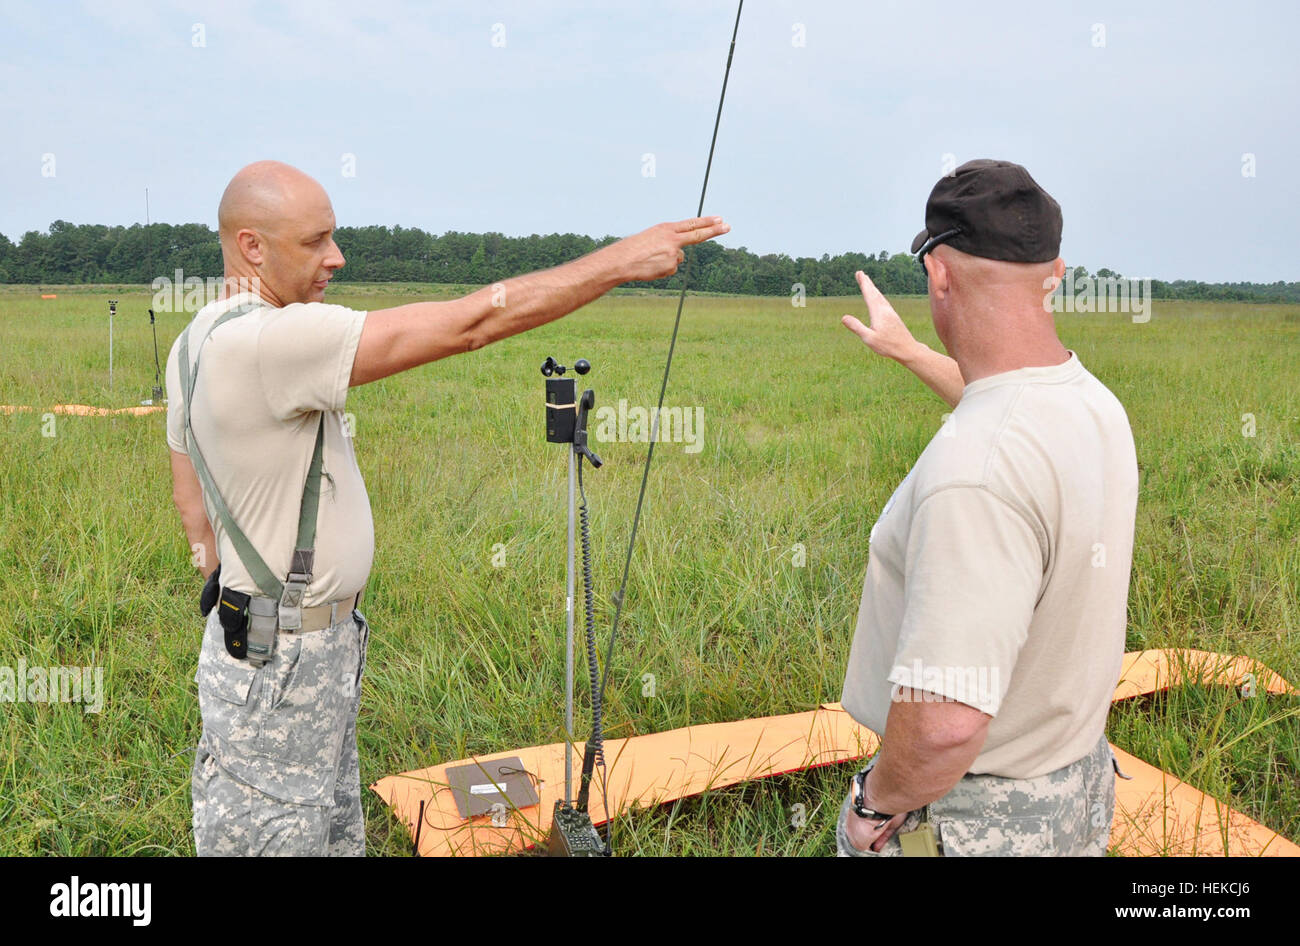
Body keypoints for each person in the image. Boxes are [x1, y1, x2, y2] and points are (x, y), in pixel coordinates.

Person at [165, 160, 729, 856]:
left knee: (330, 834)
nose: (336, 258)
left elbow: (189, 497)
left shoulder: (196, 339)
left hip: (277, 647)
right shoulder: (271, 342)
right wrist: (616, 263)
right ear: (252, 247)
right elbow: (468, 326)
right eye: (316, 242)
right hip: (284, 666)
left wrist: (243, 596)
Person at [835, 159, 1138, 856]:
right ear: (1054, 270)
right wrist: (911, 353)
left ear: (939, 274)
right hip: (1077, 783)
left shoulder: (972, 475)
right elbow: (1005, 416)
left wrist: (874, 806)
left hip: (978, 813)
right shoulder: (1090, 402)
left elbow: (945, 722)